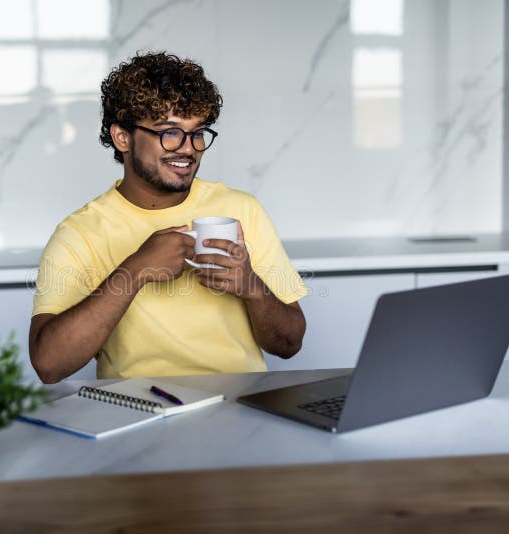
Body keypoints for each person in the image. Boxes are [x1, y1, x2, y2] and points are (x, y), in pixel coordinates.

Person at [29, 52, 307, 383]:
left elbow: (290, 344)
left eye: (198, 132)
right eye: (169, 132)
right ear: (123, 137)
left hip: (240, 405)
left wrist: (253, 288)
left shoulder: (242, 209)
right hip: (137, 410)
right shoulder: (81, 232)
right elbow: (48, 364)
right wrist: (134, 271)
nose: (189, 148)